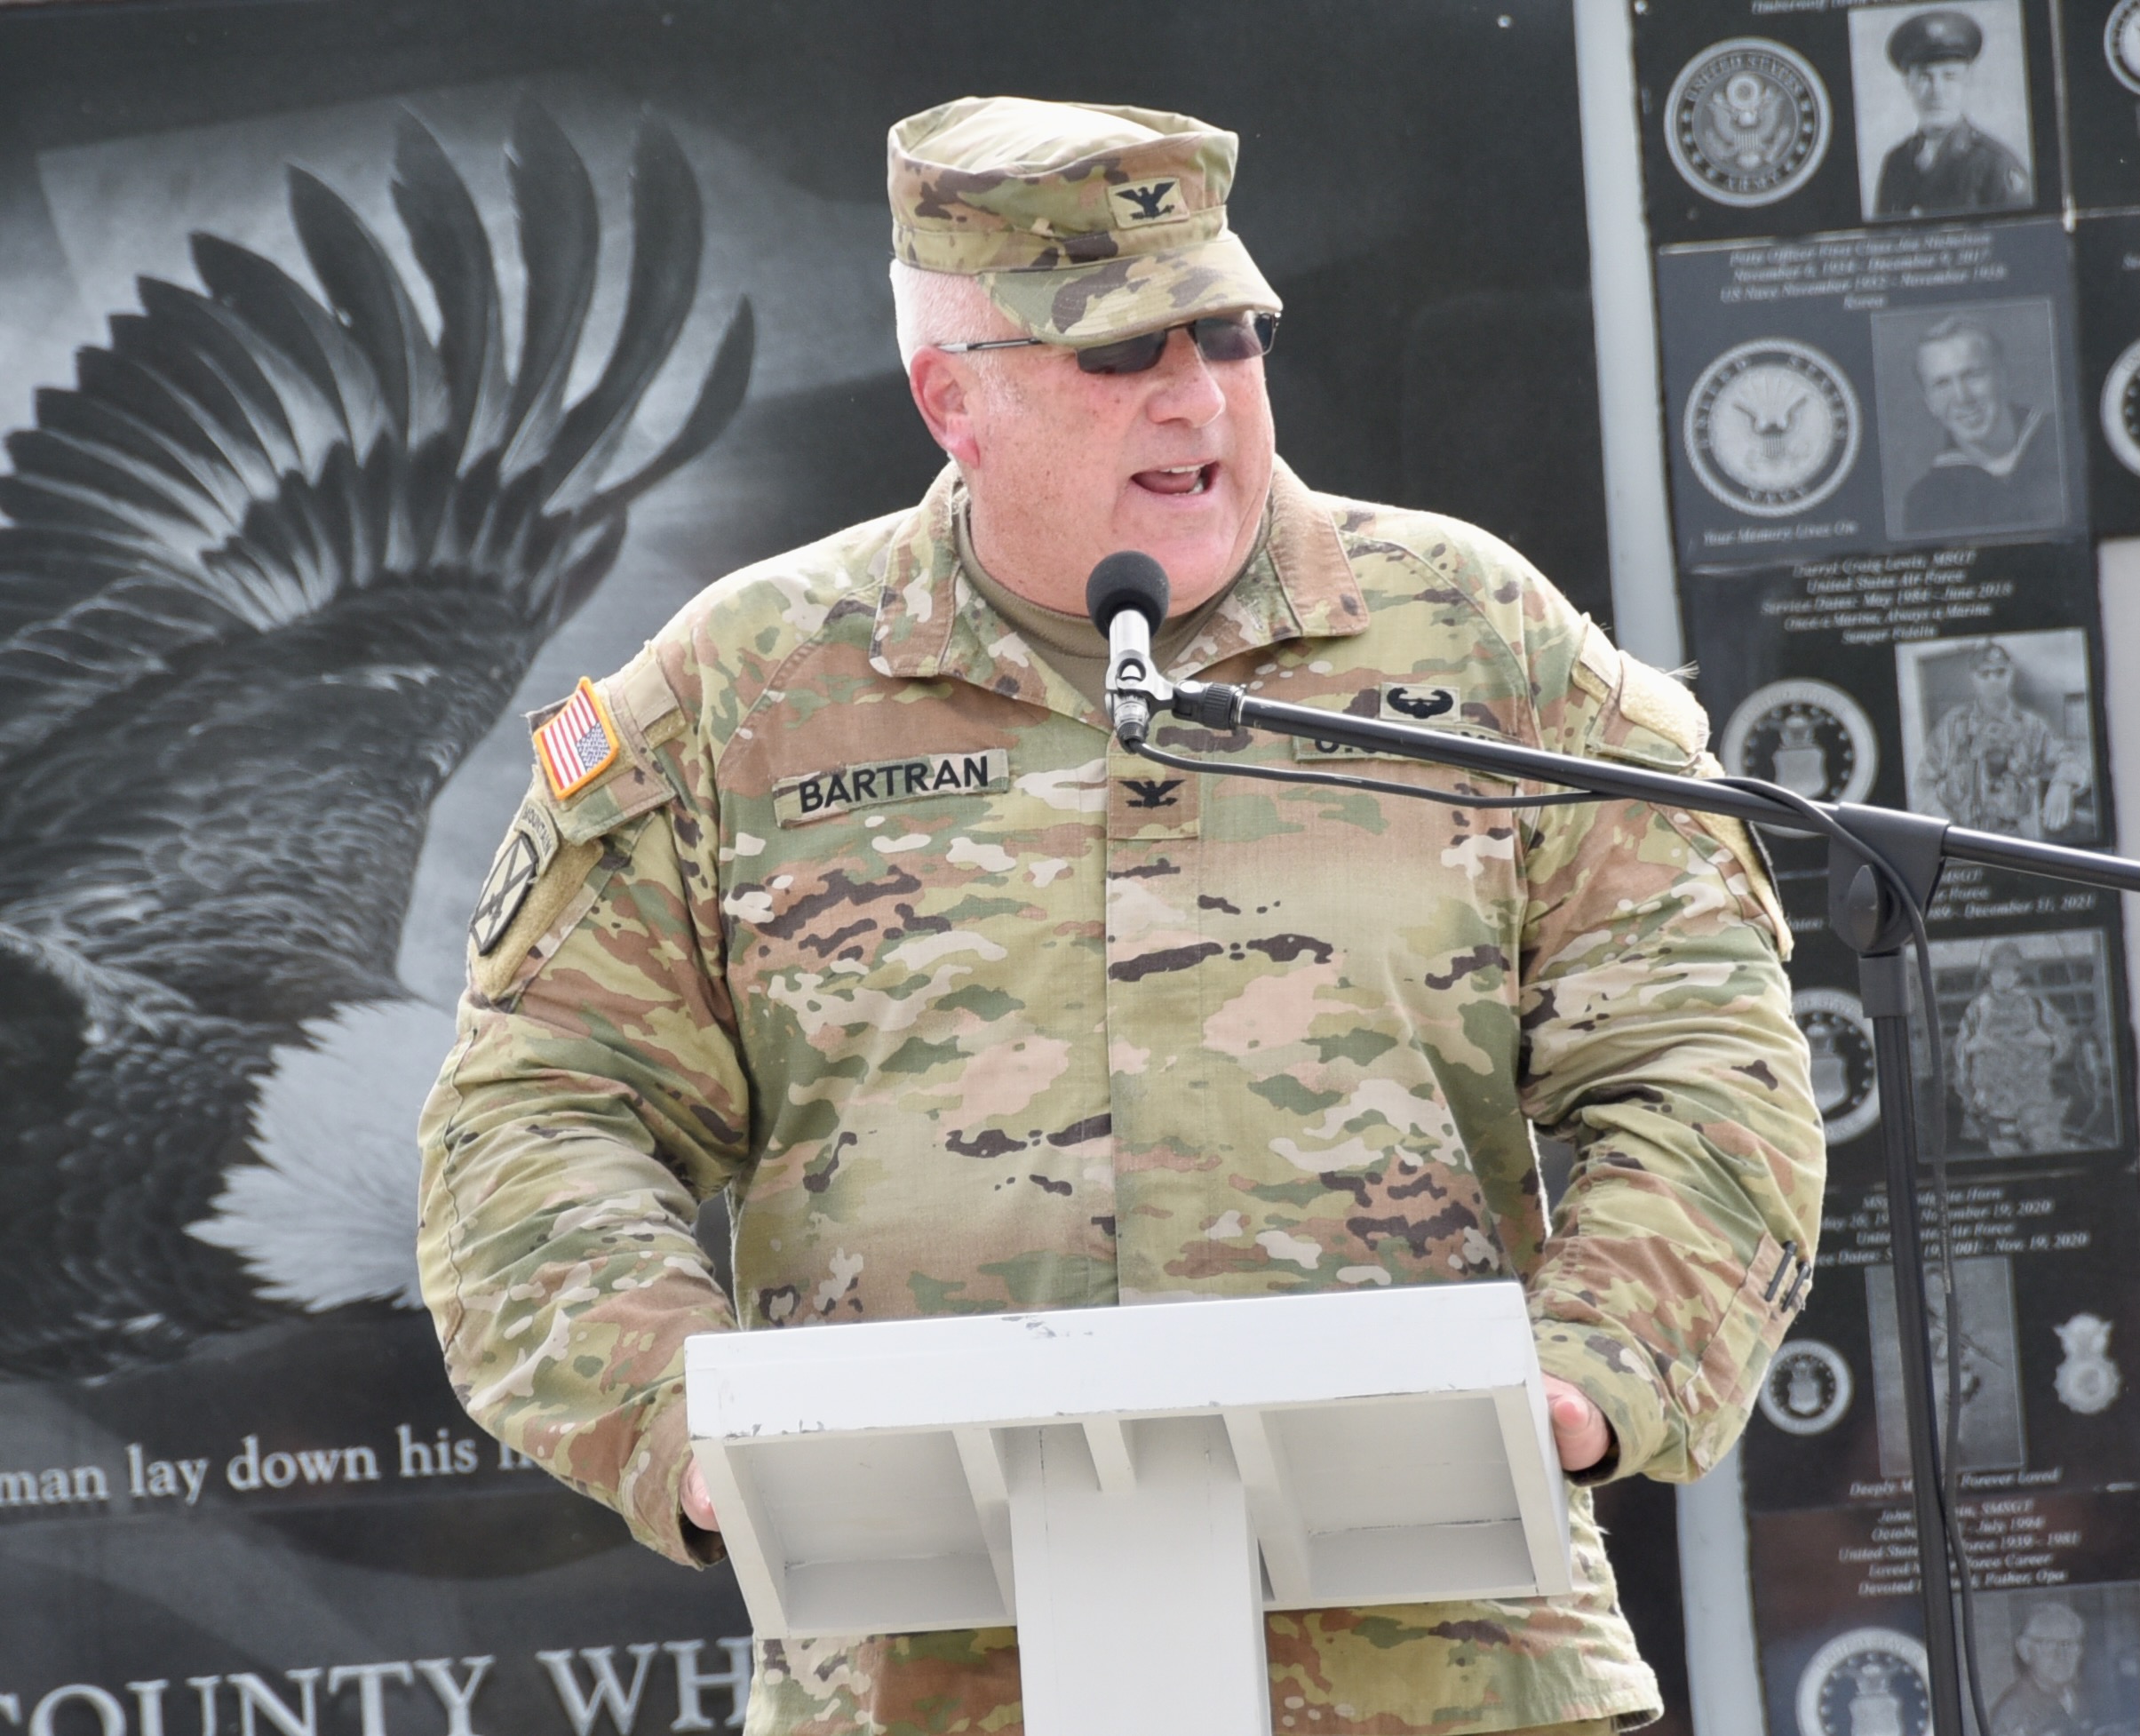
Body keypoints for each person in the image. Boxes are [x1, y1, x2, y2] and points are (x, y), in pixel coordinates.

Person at [418, 96, 1825, 1735]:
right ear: (953, 398)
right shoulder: (742, 691)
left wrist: (1590, 1371)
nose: (1196, 393)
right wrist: (688, 1420)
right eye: (1118, 352)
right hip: (925, 1682)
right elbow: (537, 1112)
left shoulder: (1479, 644)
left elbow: (1701, 1053)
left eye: (1229, 331)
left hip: (1448, 1676)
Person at [1901, 317, 2064, 537]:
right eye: (1942, 384)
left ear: (2003, 376)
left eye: (1973, 375)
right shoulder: (1927, 503)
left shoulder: (2066, 442)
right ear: (1928, 401)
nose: (1962, 397)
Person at [1916, 640, 2086, 837]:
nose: (1993, 680)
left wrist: (2063, 783)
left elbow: (2074, 762)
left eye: (2000, 672)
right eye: (1985, 674)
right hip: (1963, 838)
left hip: (2016, 839)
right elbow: (1923, 783)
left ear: (2011, 673)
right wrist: (1944, 826)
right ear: (1973, 677)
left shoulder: (2032, 726)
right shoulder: (1953, 725)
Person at [1873, 9, 2031, 218]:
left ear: (1968, 80)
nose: (1937, 91)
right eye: (1924, 77)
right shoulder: (1896, 162)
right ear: (1907, 83)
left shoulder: (1996, 164)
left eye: (1950, 76)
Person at [1952, 938, 2072, 1157]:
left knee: (2047, 1147)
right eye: (1999, 971)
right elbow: (1961, 1047)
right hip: (1995, 1097)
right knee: (2005, 1152)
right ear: (1991, 974)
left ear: (2018, 975)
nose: (2005, 977)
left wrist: (2047, 1040)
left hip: (2034, 1095)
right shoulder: (1977, 1008)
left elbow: (2063, 1037)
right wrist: (1972, 1046)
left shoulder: (2035, 1004)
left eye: (2011, 972)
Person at [1989, 1602, 2088, 1736]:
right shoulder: (2012, 1713)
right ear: (2025, 1651)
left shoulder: (2088, 1698)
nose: (2061, 1655)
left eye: (2069, 1644)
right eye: (2049, 1644)